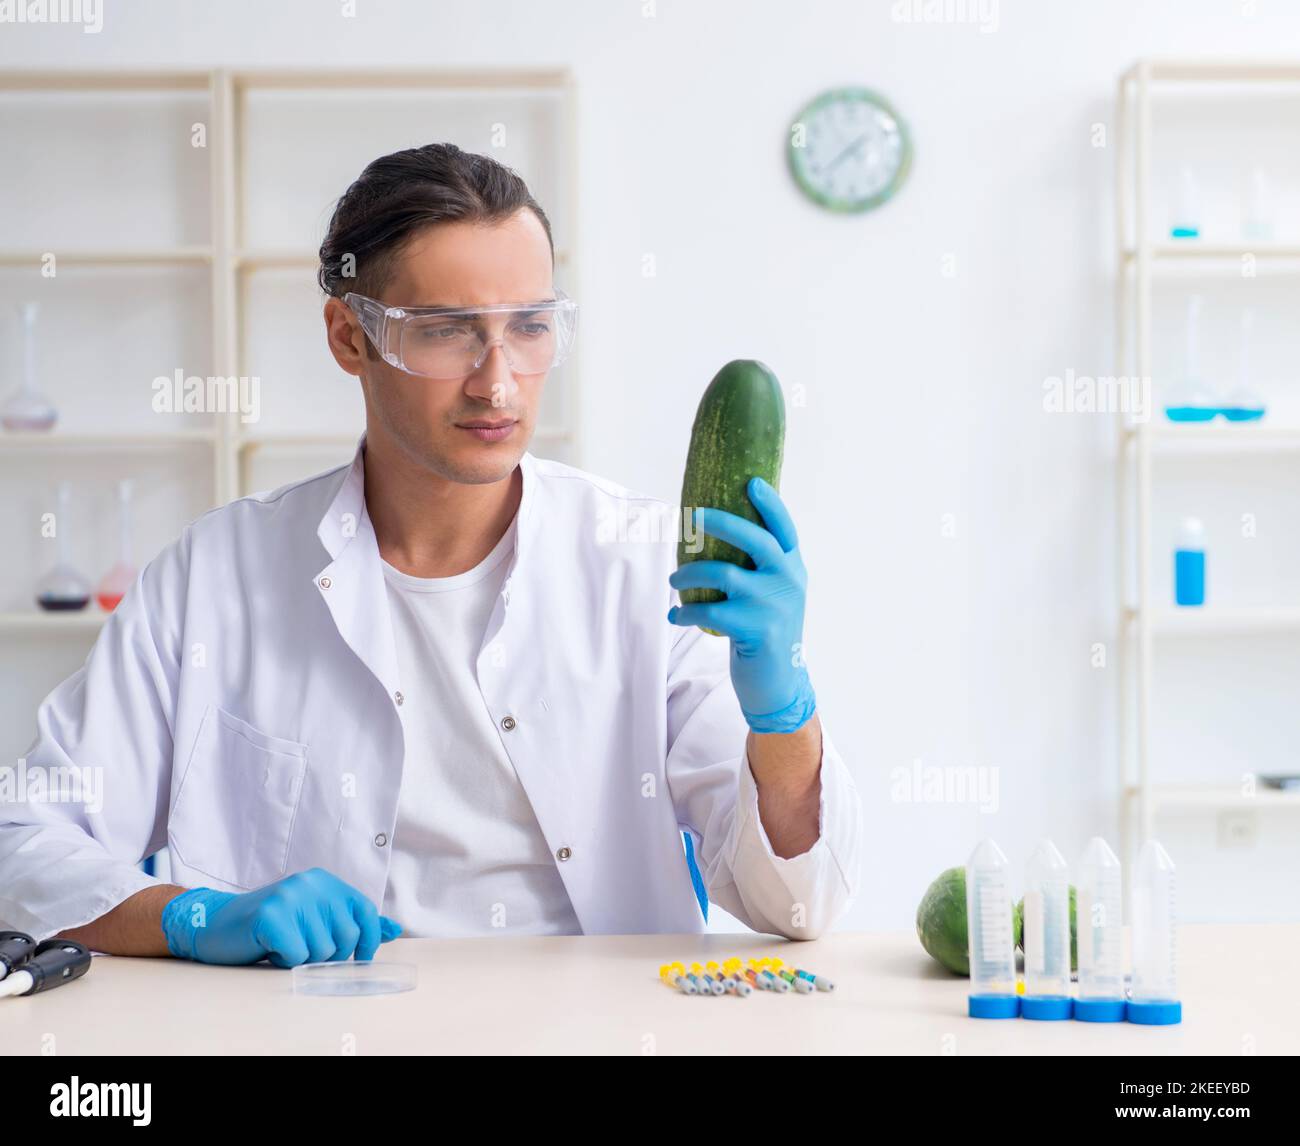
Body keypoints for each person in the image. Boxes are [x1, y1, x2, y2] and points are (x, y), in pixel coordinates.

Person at [0, 143, 861, 968]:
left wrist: (783, 711)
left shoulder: (641, 567)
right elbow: (25, 841)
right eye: (448, 332)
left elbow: (796, 904)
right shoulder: (215, 576)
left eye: (529, 327)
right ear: (349, 338)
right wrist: (193, 916)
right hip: (311, 1030)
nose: (498, 382)